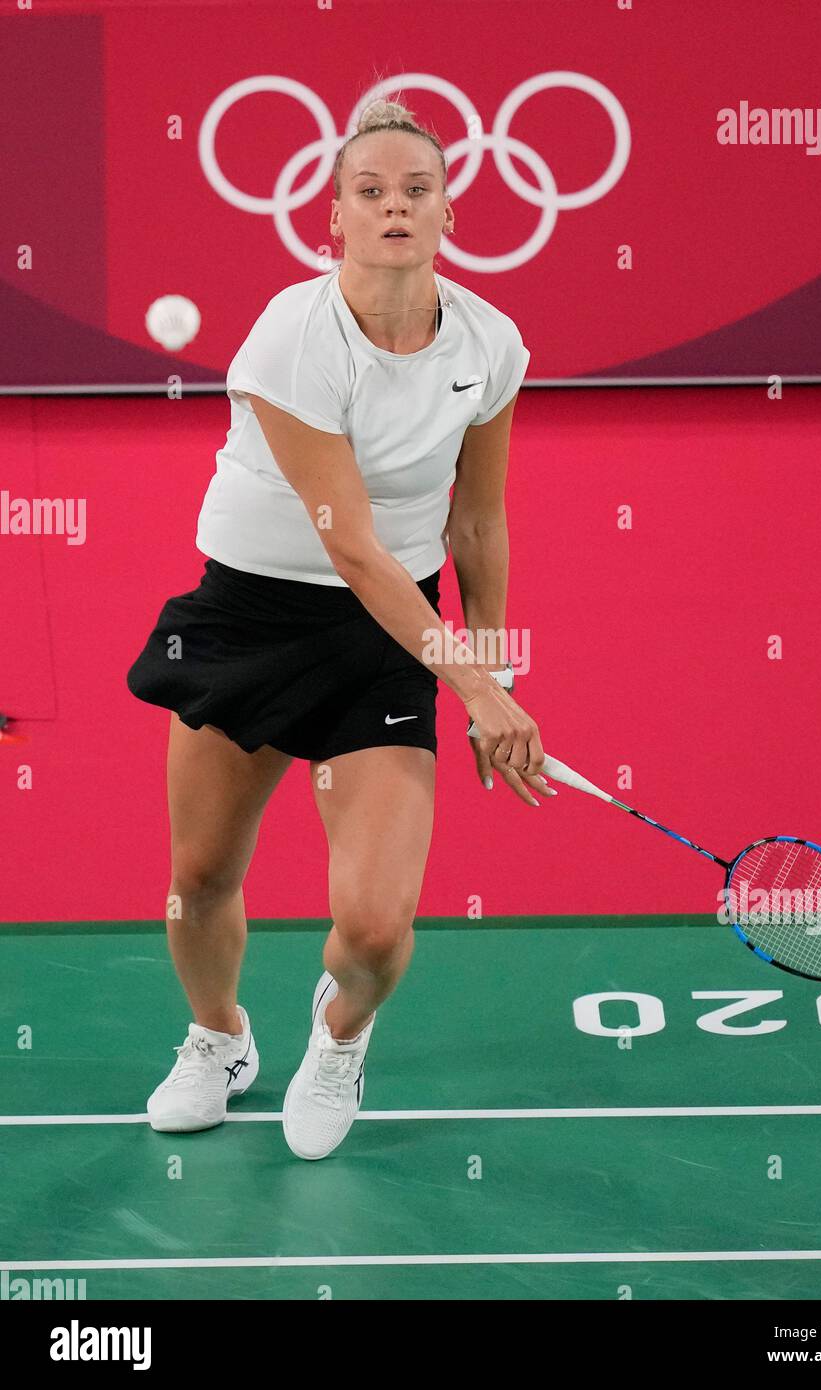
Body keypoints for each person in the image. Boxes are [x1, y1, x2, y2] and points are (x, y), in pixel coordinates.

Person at [126, 97, 553, 1162]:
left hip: (388, 638)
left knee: (372, 927)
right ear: (335, 219)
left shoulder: (490, 343)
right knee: (201, 875)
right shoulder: (292, 335)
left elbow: (476, 514)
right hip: (253, 613)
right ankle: (217, 1038)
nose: (395, 206)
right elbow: (349, 544)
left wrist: (490, 658)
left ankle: (338, 1038)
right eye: (371, 192)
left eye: (416, 189)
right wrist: (479, 690)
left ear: (449, 210)